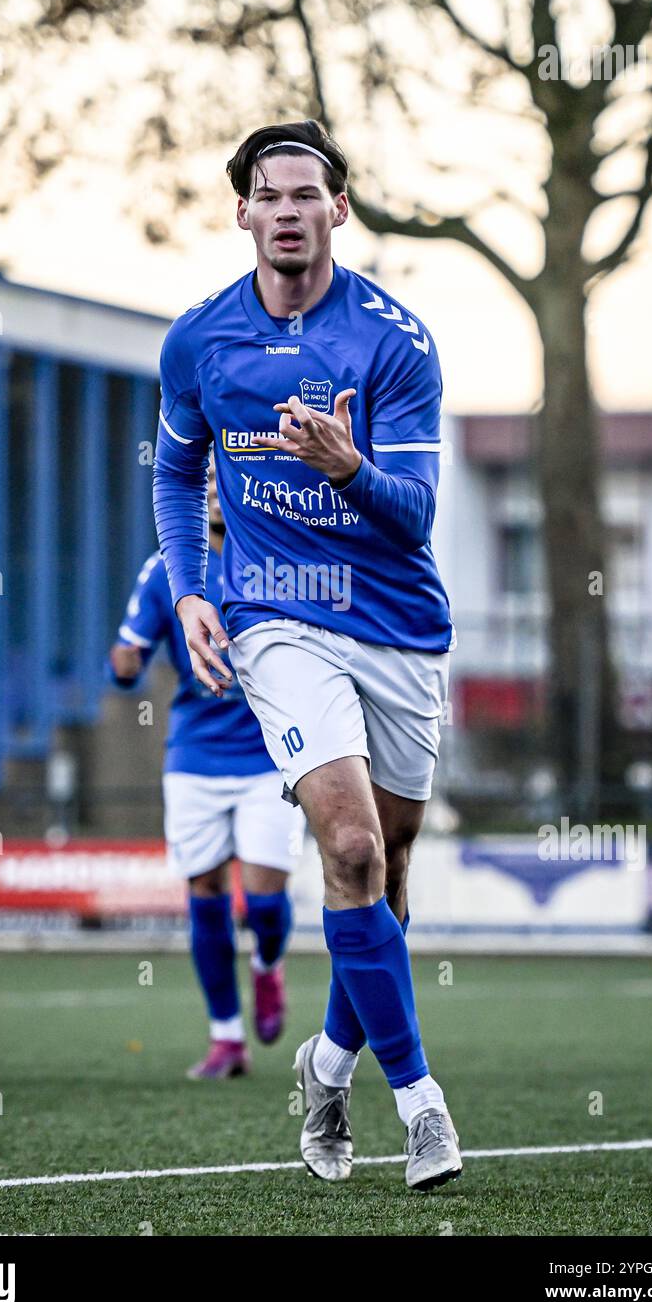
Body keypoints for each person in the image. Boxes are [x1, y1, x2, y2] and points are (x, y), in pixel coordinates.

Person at [152, 119, 461, 1190]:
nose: (286, 210)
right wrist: (191, 592)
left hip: (398, 623)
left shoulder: (395, 340)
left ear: (338, 208)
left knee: (388, 868)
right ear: (240, 211)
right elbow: (173, 474)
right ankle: (421, 1108)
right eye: (266, 194)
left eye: (306, 193)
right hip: (273, 617)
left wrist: (345, 469)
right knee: (351, 849)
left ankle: (327, 1064)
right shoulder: (197, 341)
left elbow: (414, 518)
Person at [108, 465, 305, 1079]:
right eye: (206, 480)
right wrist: (125, 661)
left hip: (271, 753)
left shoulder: (281, 559)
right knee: (205, 892)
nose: (217, 490)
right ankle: (226, 1038)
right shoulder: (166, 570)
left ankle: (268, 967)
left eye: (228, 478)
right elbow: (126, 656)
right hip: (193, 755)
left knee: (267, 898)